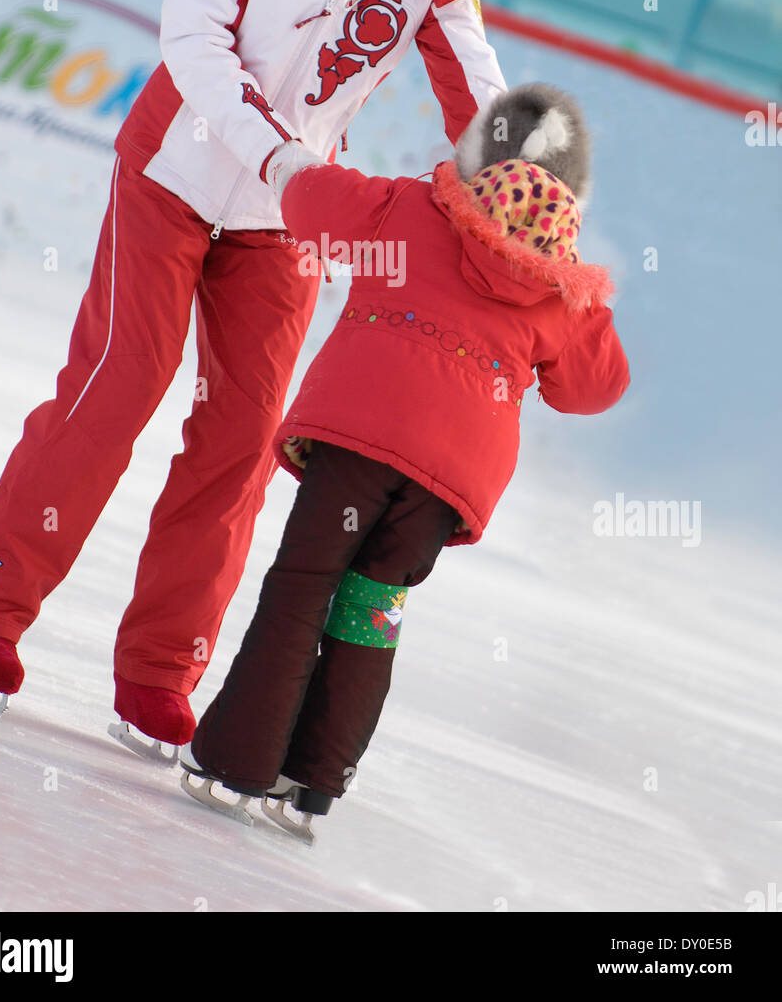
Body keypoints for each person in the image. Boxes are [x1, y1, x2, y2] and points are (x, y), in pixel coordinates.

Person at [0, 0, 508, 748]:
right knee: (118, 386)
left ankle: (158, 669)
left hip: (284, 218)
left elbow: (473, 85)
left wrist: (515, 189)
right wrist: (276, 151)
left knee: (241, 440)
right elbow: (189, 36)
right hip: (176, 170)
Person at [180, 83, 630, 838]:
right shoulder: (560, 284)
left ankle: (237, 765)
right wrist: (574, 283)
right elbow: (593, 389)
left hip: (359, 437)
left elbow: (309, 203)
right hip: (447, 477)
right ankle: (311, 784)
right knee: (371, 612)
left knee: (303, 587)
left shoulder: (412, 207)